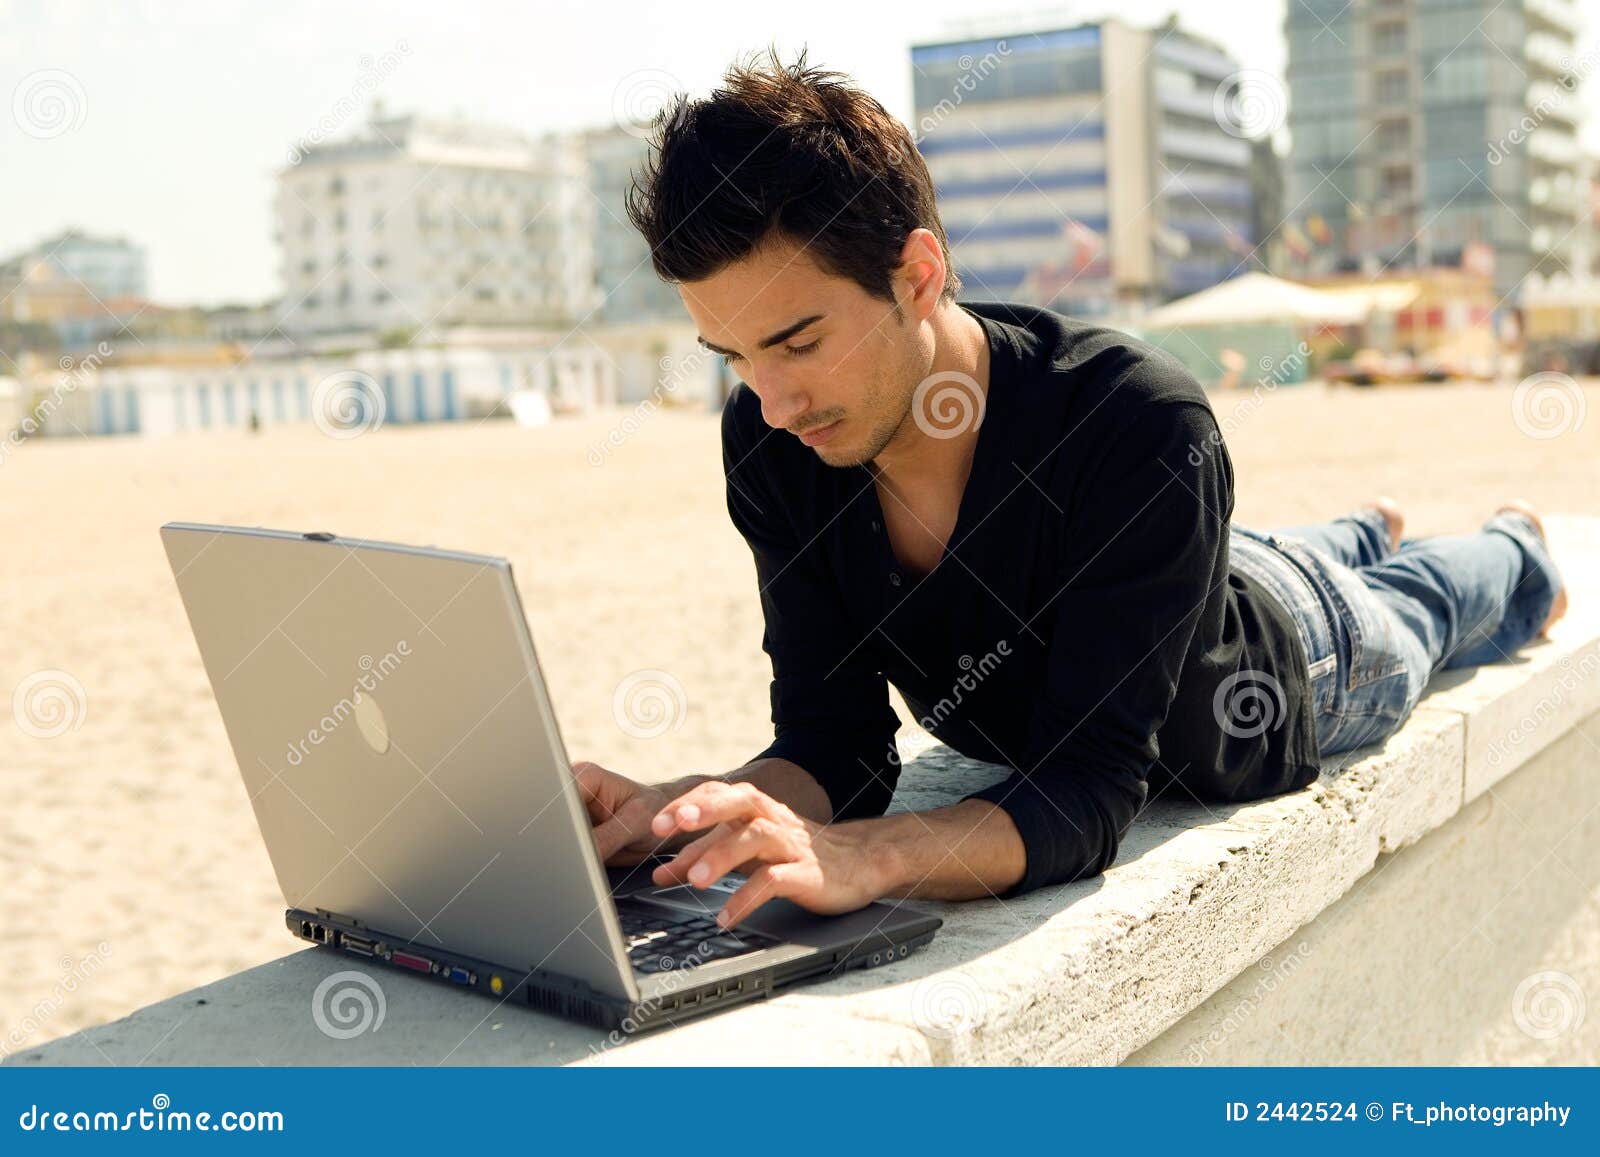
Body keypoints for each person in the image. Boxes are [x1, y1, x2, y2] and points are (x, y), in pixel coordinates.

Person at [570, 52, 1568, 931]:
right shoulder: (772, 439)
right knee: (1276, 545)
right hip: (1174, 570)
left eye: (798, 343)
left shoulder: (1137, 422)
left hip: (1285, 661)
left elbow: (1086, 792)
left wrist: (870, 855)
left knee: (1419, 603)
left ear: (918, 274)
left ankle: (1509, 542)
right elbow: (834, 744)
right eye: (734, 355)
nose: (773, 403)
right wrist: (681, 811)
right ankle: (1357, 526)